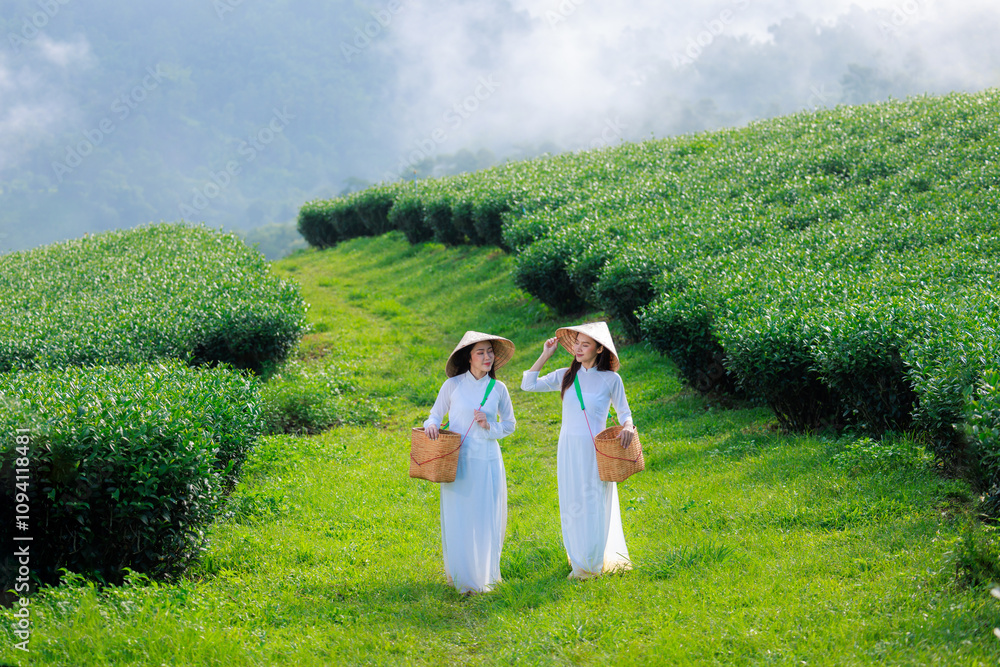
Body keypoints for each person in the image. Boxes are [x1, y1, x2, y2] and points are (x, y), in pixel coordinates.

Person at [521, 321, 634, 580]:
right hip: (568, 449)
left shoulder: (611, 379)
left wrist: (628, 426)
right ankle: (578, 560)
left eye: (586, 345)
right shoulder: (566, 375)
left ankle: (592, 565)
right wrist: (545, 355)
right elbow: (528, 384)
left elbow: (625, 413)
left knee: (594, 502)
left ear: (599, 350)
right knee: (572, 503)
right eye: (577, 344)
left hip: (597, 450)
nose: (579, 349)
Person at [423, 331, 516, 594]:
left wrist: (490, 426)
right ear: (469, 357)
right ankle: (463, 578)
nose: (487, 357)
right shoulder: (452, 385)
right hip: (457, 462)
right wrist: (431, 425)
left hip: (487, 461)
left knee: (485, 516)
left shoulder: (499, 389)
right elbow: (434, 414)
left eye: (490, 351)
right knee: (459, 516)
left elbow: (510, 425)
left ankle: (485, 576)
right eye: (480, 352)